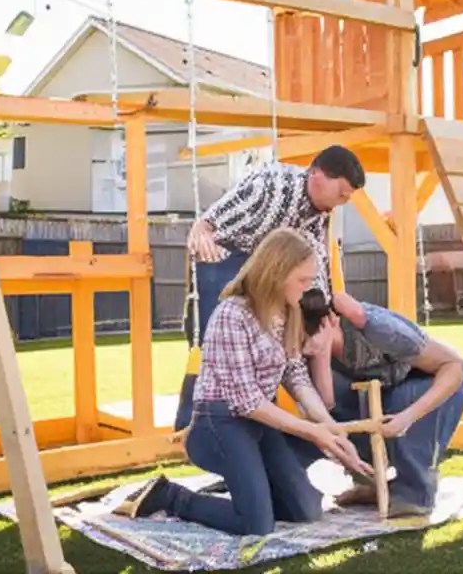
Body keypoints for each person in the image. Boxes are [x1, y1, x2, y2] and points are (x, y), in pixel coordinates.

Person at [120, 229, 372, 535]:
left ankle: (256, 493)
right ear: (277, 272)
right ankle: (169, 496)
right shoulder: (232, 314)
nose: (307, 289)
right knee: (256, 524)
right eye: (302, 280)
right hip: (220, 423)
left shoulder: (288, 310)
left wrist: (331, 428)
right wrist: (315, 432)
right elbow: (246, 402)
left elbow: (293, 373)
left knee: (306, 510)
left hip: (261, 425)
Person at [174, 145, 366, 430]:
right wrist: (201, 230)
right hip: (225, 254)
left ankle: (265, 407)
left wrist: (322, 310)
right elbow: (212, 219)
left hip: (262, 267)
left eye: (347, 197)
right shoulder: (270, 185)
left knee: (276, 329)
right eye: (340, 193)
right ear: (317, 176)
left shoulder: (318, 214)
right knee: (213, 331)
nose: (341, 202)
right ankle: (192, 418)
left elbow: (316, 261)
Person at [300, 290, 463, 518]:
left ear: (330, 321)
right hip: (381, 385)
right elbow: (327, 405)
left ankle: (415, 493)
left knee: (401, 402)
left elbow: (453, 367)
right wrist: (319, 354)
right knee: (342, 405)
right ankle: (372, 483)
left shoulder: (378, 328)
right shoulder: (308, 346)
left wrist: (406, 418)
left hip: (432, 380)